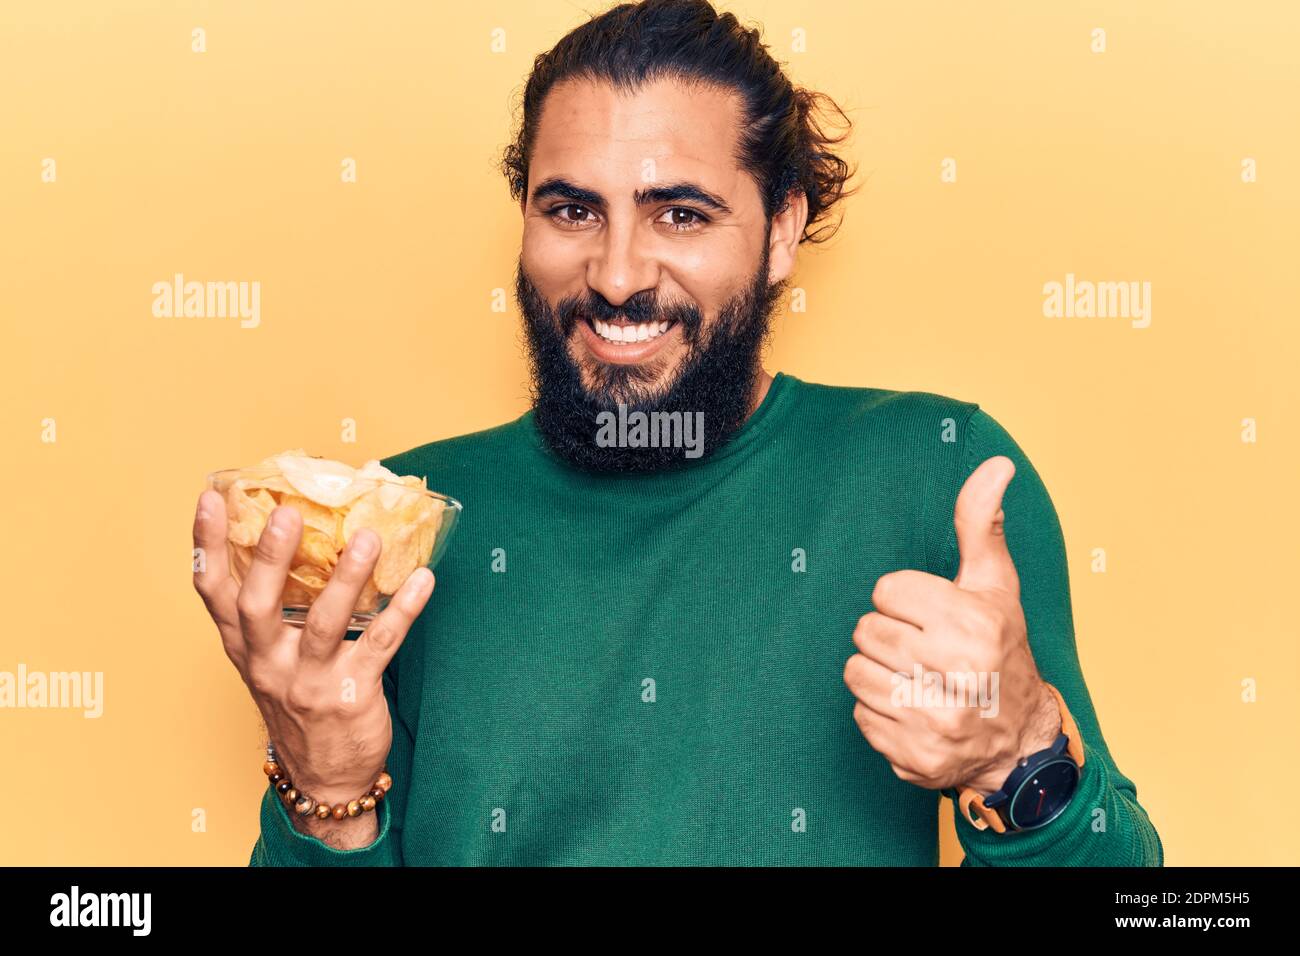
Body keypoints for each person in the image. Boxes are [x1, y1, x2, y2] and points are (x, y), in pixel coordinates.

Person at [192, 0, 1163, 865]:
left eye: (680, 213)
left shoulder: (936, 480)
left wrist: (1019, 750)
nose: (617, 274)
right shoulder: (399, 522)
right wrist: (325, 790)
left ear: (782, 229)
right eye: (572, 208)